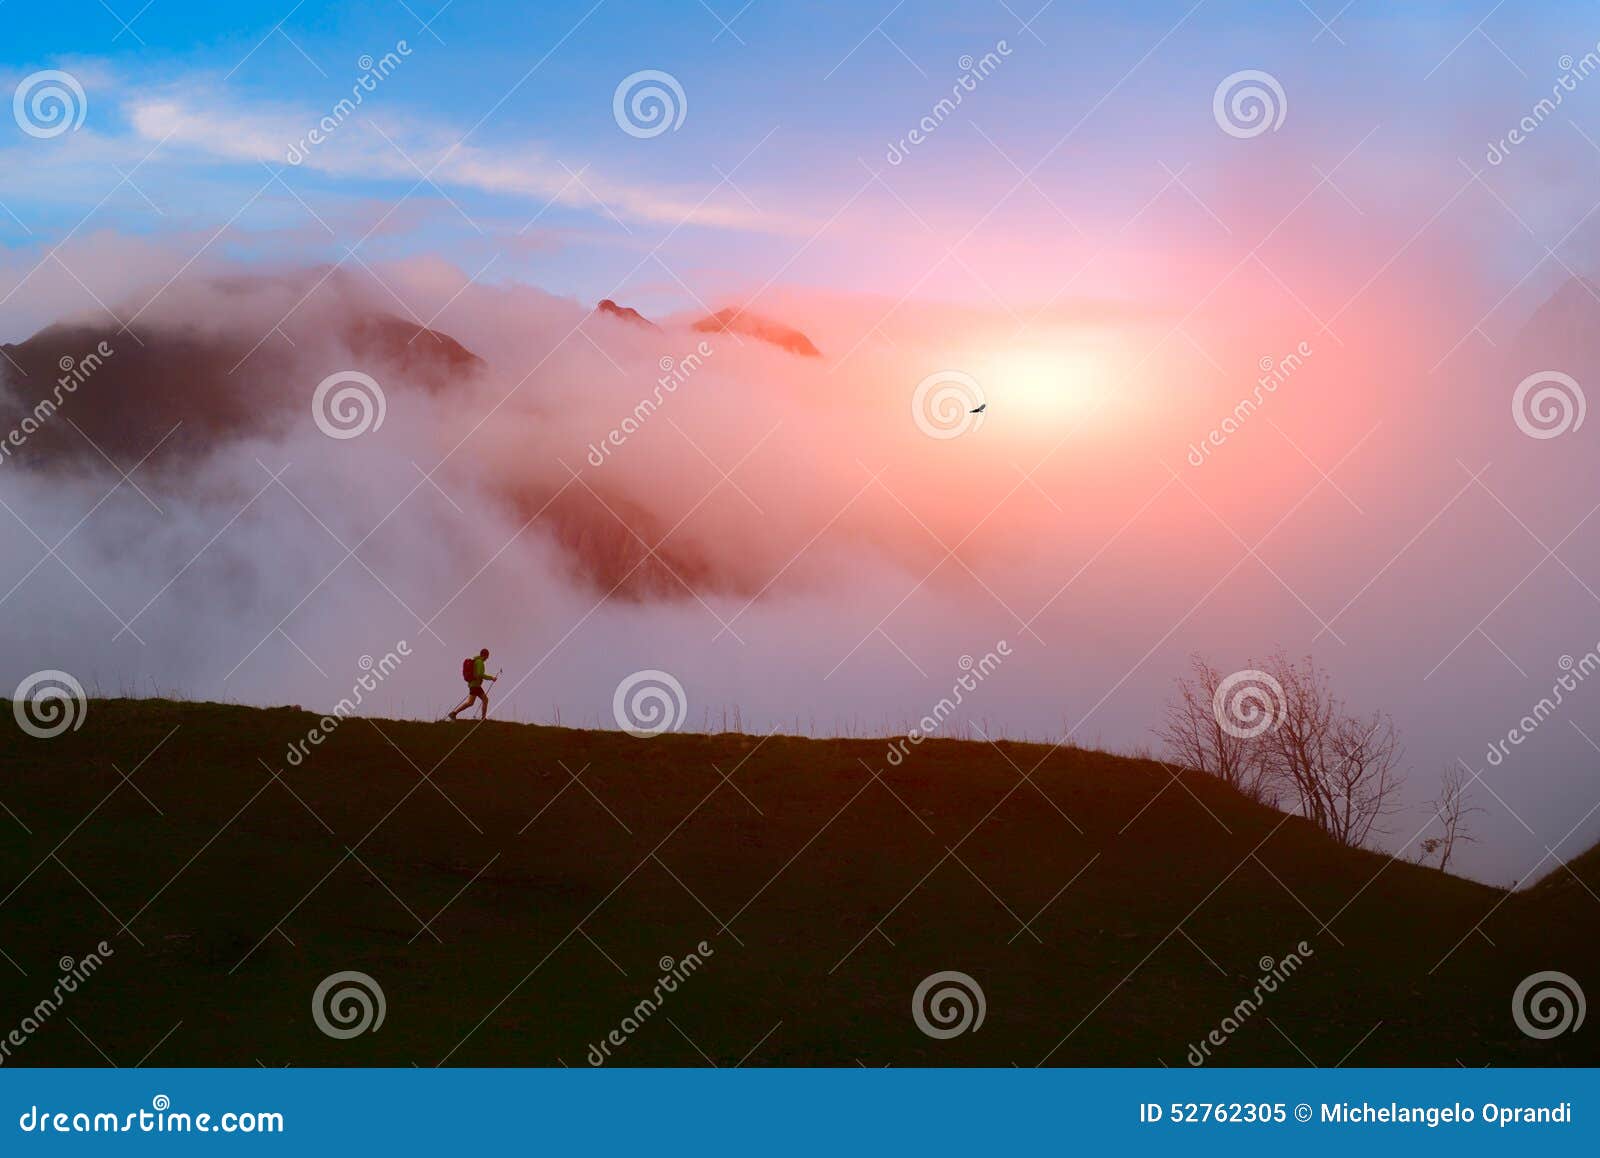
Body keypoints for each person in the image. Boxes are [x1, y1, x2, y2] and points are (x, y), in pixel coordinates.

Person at [448, 648, 498, 720]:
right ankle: (454, 714)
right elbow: (480, 674)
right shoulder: (480, 662)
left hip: (474, 685)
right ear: (485, 655)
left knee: (480, 701)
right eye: (487, 656)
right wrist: (491, 678)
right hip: (475, 685)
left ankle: (454, 713)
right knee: (474, 702)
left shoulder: (476, 661)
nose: (487, 658)